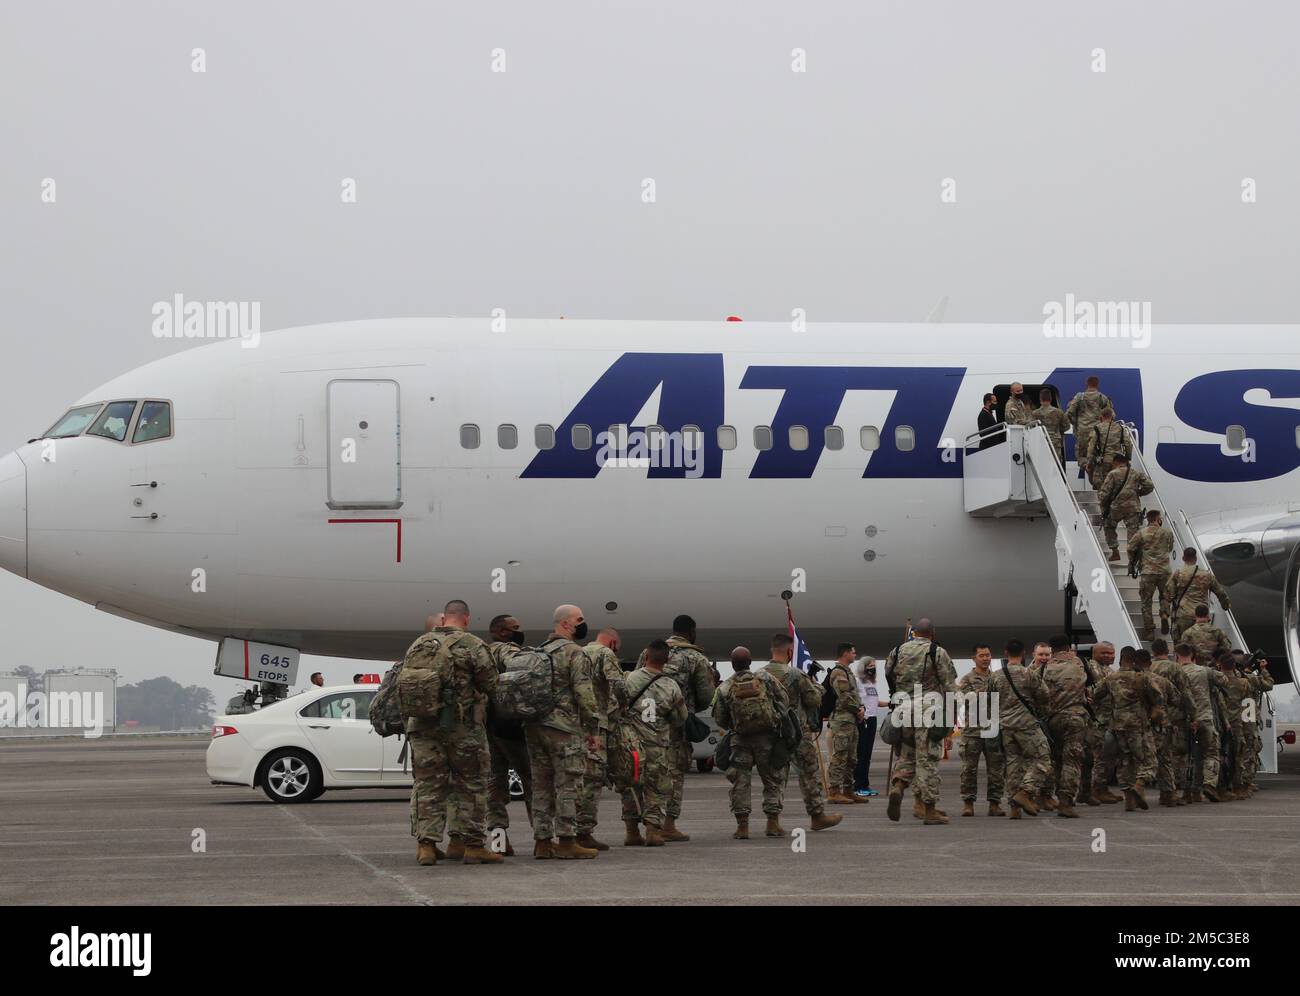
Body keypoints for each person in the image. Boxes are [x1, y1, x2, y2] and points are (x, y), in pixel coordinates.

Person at [404, 599, 500, 866]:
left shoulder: (419, 644)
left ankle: (426, 846)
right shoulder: (472, 645)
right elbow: (491, 684)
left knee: (428, 785)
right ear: (466, 619)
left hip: (423, 726)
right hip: (462, 728)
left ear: (444, 619)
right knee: (472, 785)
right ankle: (472, 845)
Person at [526, 605, 602, 859]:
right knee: (568, 784)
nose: (583, 623)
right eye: (579, 619)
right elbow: (584, 693)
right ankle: (568, 841)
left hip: (535, 727)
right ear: (566, 624)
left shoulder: (538, 652)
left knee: (541, 786)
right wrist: (593, 729)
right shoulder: (574, 652)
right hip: (564, 729)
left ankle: (543, 842)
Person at [765, 634, 842, 834]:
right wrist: (815, 684)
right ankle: (817, 816)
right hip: (797, 733)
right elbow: (813, 701)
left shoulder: (760, 674)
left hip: (772, 734)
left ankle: (772, 821)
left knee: (775, 777)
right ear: (790, 651)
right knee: (808, 774)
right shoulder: (795, 674)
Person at [712, 646, 790, 839]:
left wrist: (735, 724)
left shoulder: (725, 687)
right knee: (772, 779)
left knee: (741, 782)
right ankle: (772, 823)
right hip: (767, 738)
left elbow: (720, 717)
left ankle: (742, 827)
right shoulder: (765, 678)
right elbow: (784, 700)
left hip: (740, 740)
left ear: (732, 664)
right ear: (750, 662)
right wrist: (775, 719)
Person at [884, 618, 956, 825]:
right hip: (928, 709)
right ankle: (930, 809)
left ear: (914, 633)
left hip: (904, 708)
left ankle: (898, 786)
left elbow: (889, 674)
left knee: (907, 753)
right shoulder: (937, 652)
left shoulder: (897, 651)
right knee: (927, 759)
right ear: (933, 633)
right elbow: (949, 685)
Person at [652, 614, 715, 842]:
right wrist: (689, 707)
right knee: (675, 774)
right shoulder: (696, 657)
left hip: (649, 723)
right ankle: (668, 825)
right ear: (691, 631)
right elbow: (707, 696)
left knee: (653, 772)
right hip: (678, 723)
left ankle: (650, 825)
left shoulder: (650, 651)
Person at [620, 640, 687, 846]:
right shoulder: (671, 685)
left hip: (631, 745)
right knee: (656, 788)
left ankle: (632, 832)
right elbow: (680, 718)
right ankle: (652, 830)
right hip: (657, 745)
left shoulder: (629, 679)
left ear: (646, 656)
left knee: (631, 785)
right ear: (666, 660)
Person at [1092, 645, 1164, 812]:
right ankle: (1139, 785)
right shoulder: (1142, 678)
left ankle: (1129, 800)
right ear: (1134, 660)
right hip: (1139, 725)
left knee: (1125, 761)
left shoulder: (1110, 678)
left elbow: (1096, 695)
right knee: (1149, 759)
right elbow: (1158, 697)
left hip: (1118, 725)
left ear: (1121, 658)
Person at [483, 613, 532, 853]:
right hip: (511, 728)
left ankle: (499, 841)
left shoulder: (480, 652)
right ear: (502, 632)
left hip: (487, 727)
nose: (519, 631)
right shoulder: (505, 649)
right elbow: (521, 667)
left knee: (495, 786)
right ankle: (544, 840)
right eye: (516, 628)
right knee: (533, 781)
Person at [987, 639, 1052, 818]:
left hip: (1006, 726)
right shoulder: (1029, 674)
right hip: (1027, 725)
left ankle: (1014, 808)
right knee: (1043, 758)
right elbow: (1044, 696)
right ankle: (1025, 792)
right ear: (1024, 653)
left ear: (1006, 653)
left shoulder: (995, 676)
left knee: (1013, 765)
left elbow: (988, 701)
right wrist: (1041, 713)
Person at [577, 627, 627, 851]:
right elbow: (618, 684)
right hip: (598, 725)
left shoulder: (579, 652)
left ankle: (570, 828)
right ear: (613, 643)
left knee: (578, 777)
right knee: (594, 777)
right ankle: (583, 831)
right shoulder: (606, 654)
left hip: (577, 723)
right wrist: (623, 704)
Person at [1039, 635, 1091, 818]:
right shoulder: (1080, 663)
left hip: (1053, 719)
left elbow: (1040, 693)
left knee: (1055, 759)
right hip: (1075, 716)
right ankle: (1066, 802)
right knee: (1072, 759)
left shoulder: (1046, 666)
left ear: (1052, 649)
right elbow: (1093, 685)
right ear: (1068, 647)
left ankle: (1051, 796)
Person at [955, 643, 1005, 817]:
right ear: (974, 658)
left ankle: (995, 803)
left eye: (988, 655)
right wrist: (986, 689)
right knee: (969, 769)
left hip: (993, 728)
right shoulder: (967, 679)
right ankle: (968, 803)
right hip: (973, 731)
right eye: (982, 656)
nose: (986, 659)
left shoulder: (998, 677)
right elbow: (964, 699)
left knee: (996, 769)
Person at [1177, 642, 1229, 802]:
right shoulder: (1205, 671)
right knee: (1210, 753)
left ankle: (1187, 792)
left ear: (1177, 656)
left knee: (1184, 756)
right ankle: (1208, 784)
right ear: (1193, 655)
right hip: (1205, 718)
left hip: (1182, 720)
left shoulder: (1174, 671)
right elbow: (1225, 680)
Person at [1147, 638, 1196, 807]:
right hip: (1174, 717)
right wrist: (1193, 715)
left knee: (1154, 754)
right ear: (1168, 651)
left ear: (1153, 652)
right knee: (1175, 755)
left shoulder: (1148, 668)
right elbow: (1186, 694)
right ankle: (1171, 791)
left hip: (1150, 717)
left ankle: (1159, 789)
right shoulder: (1175, 668)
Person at [825, 643, 866, 804]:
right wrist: (858, 709)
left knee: (851, 757)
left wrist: (860, 708)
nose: (855, 655)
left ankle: (848, 790)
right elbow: (844, 696)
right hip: (842, 721)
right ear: (845, 654)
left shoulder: (848, 673)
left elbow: (853, 695)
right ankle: (834, 791)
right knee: (840, 755)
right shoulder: (838, 672)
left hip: (851, 720)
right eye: (853, 652)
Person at [1097, 452, 1152, 562]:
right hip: (1133, 508)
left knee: (1109, 526)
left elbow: (1104, 494)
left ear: (1116, 462)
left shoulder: (1113, 473)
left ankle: (1115, 552)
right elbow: (1149, 486)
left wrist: (1103, 505)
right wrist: (1138, 493)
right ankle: (1132, 560)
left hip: (1116, 508)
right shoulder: (1136, 473)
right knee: (1133, 532)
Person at [1128, 510, 1175, 639]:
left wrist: (1133, 561)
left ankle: (1149, 631)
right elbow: (1170, 548)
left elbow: (1130, 548)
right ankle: (1164, 614)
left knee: (1146, 602)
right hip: (1165, 571)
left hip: (1148, 572)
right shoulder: (1167, 533)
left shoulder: (1141, 533)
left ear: (1148, 519)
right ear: (1158, 519)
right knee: (1165, 597)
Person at [1167, 550, 1232, 641]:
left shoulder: (1178, 574)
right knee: (1201, 645)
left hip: (1183, 616)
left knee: (1182, 646)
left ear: (1183, 558)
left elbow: (1170, 595)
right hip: (1202, 616)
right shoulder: (1207, 575)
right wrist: (1225, 605)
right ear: (1196, 558)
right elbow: (1220, 592)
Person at [1066, 375, 1114, 466]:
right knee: (1097, 456)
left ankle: (1086, 468)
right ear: (1098, 384)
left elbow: (1069, 413)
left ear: (1087, 384)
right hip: (1098, 432)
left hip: (1082, 433)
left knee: (1083, 458)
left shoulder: (1079, 397)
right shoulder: (1103, 398)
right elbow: (1111, 415)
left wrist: (1075, 424)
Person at [1082, 409, 1130, 491]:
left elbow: (1091, 446)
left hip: (1103, 461)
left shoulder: (1097, 428)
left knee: (1101, 485)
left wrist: (1089, 462)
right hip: (1117, 462)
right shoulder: (1120, 428)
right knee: (1116, 485)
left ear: (1101, 416)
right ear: (1113, 416)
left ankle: (1103, 501)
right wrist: (1127, 459)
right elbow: (1128, 444)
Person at [853, 656, 879, 797]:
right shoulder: (858, 682)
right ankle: (858, 786)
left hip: (873, 719)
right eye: (869, 665)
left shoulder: (872, 683)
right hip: (864, 720)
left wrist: (889, 703)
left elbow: (874, 702)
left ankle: (865, 785)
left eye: (874, 666)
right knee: (861, 754)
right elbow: (855, 700)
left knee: (867, 755)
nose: (872, 668)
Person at [1030, 388, 1070, 466]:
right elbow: (1066, 426)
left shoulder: (1034, 413)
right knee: (1055, 464)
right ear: (1051, 399)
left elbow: (1032, 428)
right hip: (1055, 442)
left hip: (1041, 441)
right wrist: (1058, 430)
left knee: (1042, 463)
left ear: (1040, 399)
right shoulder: (1059, 412)